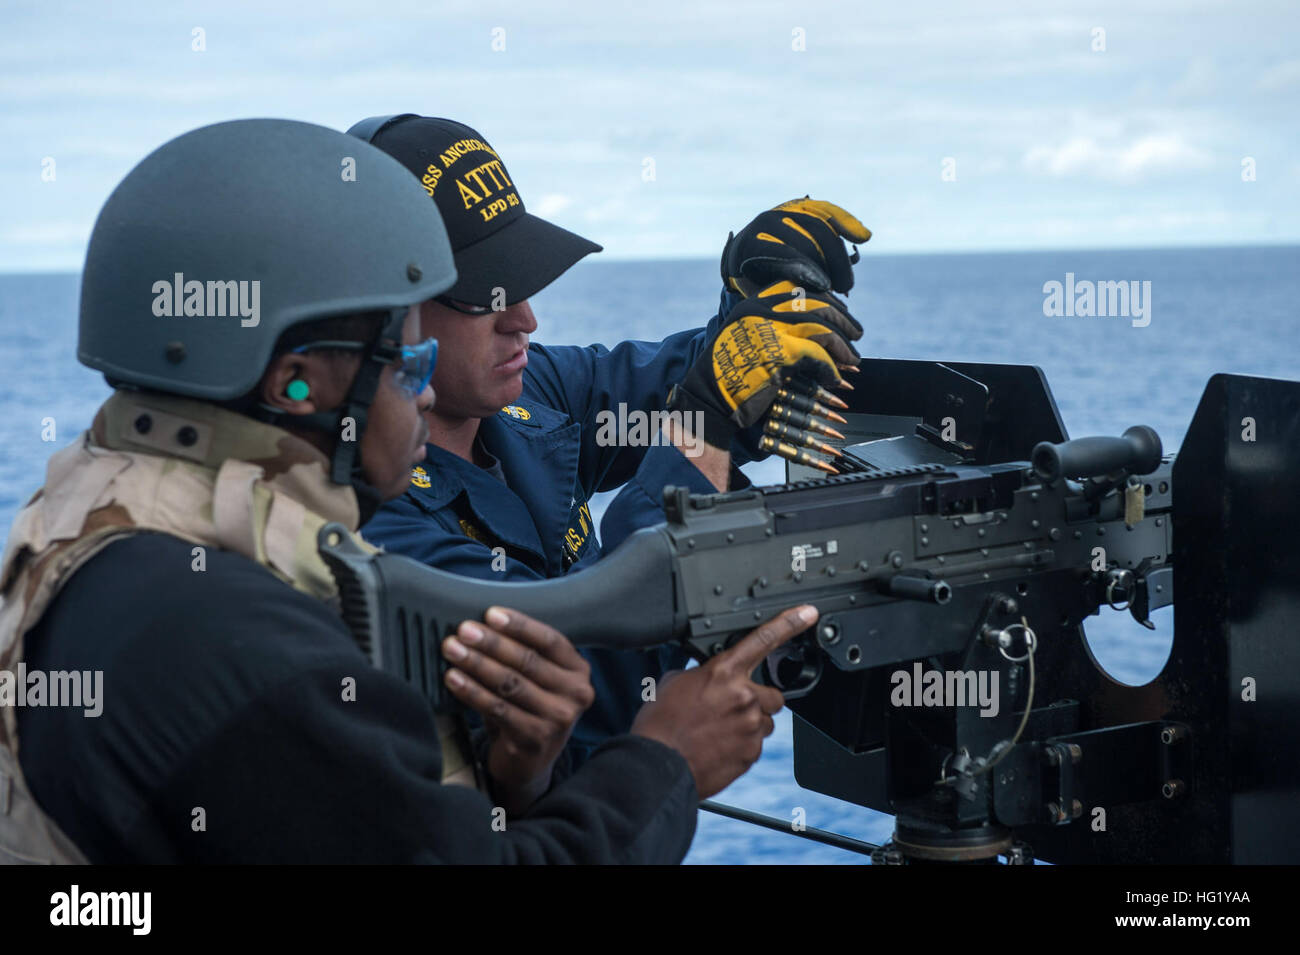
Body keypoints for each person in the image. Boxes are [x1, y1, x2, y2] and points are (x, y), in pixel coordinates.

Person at [0, 118, 815, 864]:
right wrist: (666, 761)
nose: (423, 391)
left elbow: (634, 387)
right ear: (295, 384)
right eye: (405, 359)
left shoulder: (138, 508)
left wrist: (749, 318)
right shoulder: (241, 632)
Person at [352, 114, 871, 765]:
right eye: (486, 295)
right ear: (385, 312)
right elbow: (573, 684)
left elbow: (669, 378)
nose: (525, 319)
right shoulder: (366, 515)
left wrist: (751, 298)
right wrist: (703, 429)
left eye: (520, 281)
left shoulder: (523, 391)